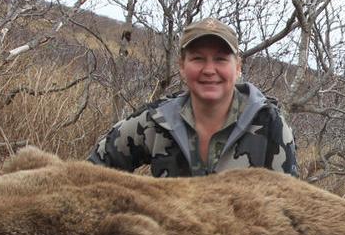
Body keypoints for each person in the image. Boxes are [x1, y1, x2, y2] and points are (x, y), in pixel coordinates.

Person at [87, 18, 299, 177]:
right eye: (198, 59)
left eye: (220, 59)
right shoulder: (157, 120)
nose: (209, 70)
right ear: (182, 66)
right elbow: (90, 174)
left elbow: (290, 206)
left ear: (238, 67)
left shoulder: (271, 125)